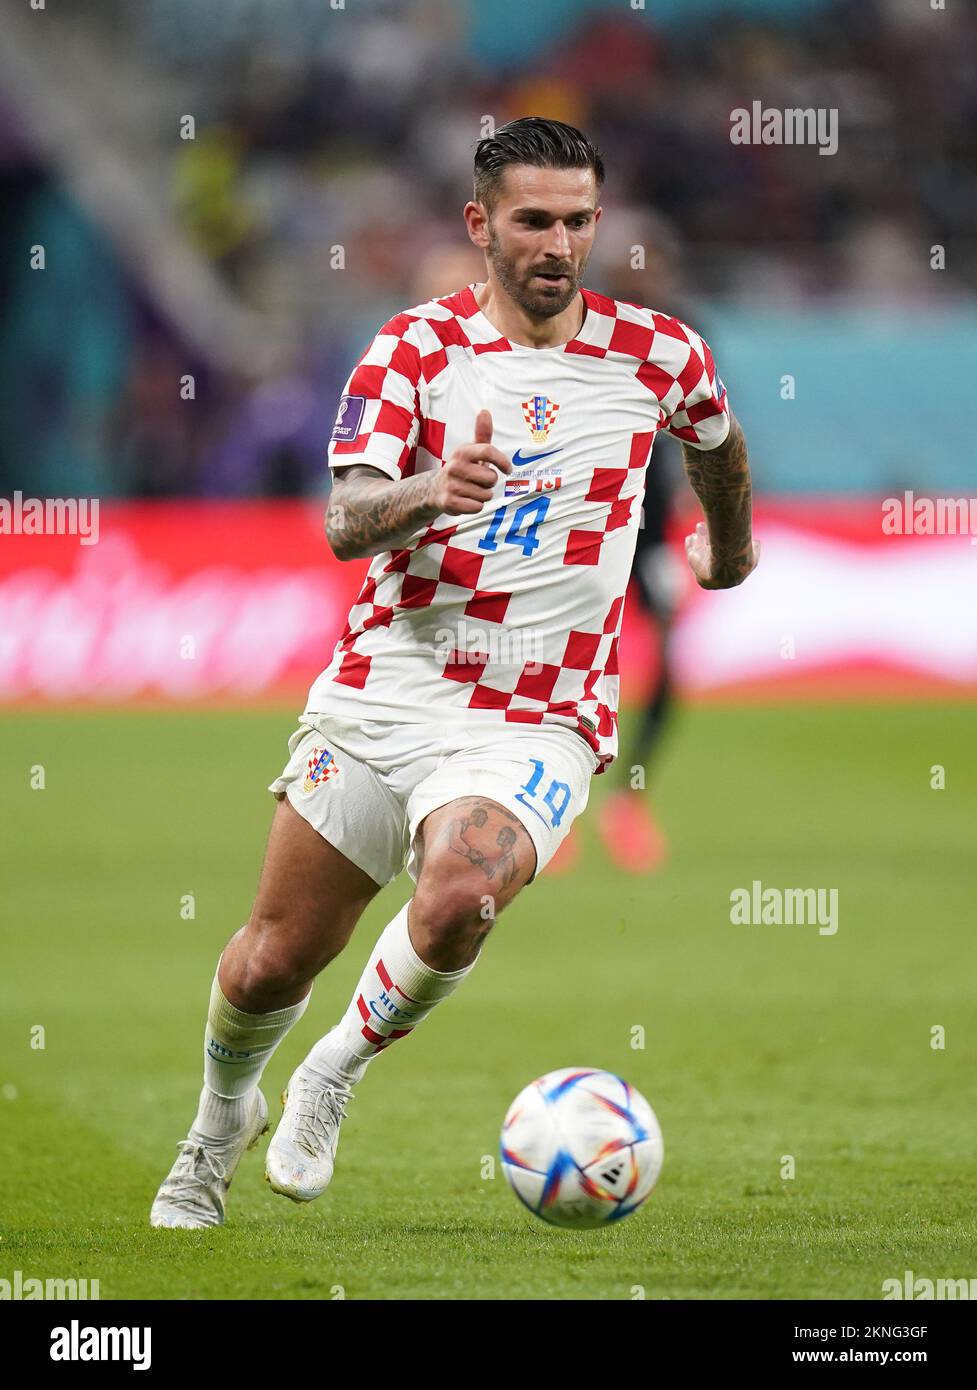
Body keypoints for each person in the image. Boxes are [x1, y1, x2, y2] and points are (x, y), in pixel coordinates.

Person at [150, 116, 759, 1228]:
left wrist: (731, 548)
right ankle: (213, 1125)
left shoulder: (657, 352)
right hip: (392, 686)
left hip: (542, 710)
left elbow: (715, 440)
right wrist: (432, 489)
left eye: (577, 221)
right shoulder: (413, 350)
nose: (558, 243)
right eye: (533, 219)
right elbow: (342, 522)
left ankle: (332, 1070)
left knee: (462, 891)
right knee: (269, 960)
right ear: (480, 225)